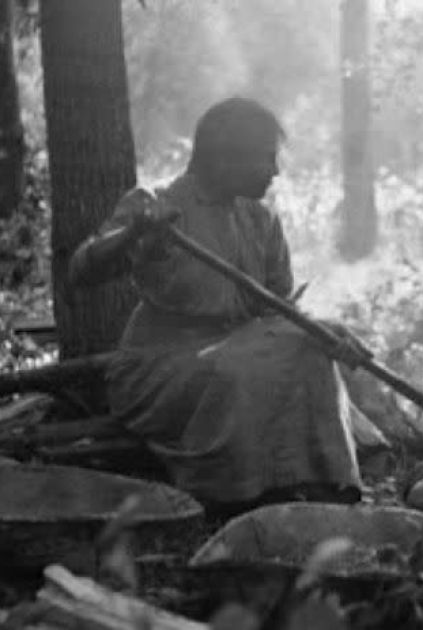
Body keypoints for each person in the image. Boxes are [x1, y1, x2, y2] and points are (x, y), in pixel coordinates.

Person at [68, 97, 365, 512]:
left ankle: (324, 484)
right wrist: (133, 235)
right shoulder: (156, 204)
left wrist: (324, 332)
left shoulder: (261, 220)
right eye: (266, 158)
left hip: (238, 352)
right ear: (225, 159)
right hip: (160, 368)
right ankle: (228, 496)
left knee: (310, 351)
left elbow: (280, 313)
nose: (275, 171)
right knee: (235, 371)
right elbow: (81, 270)